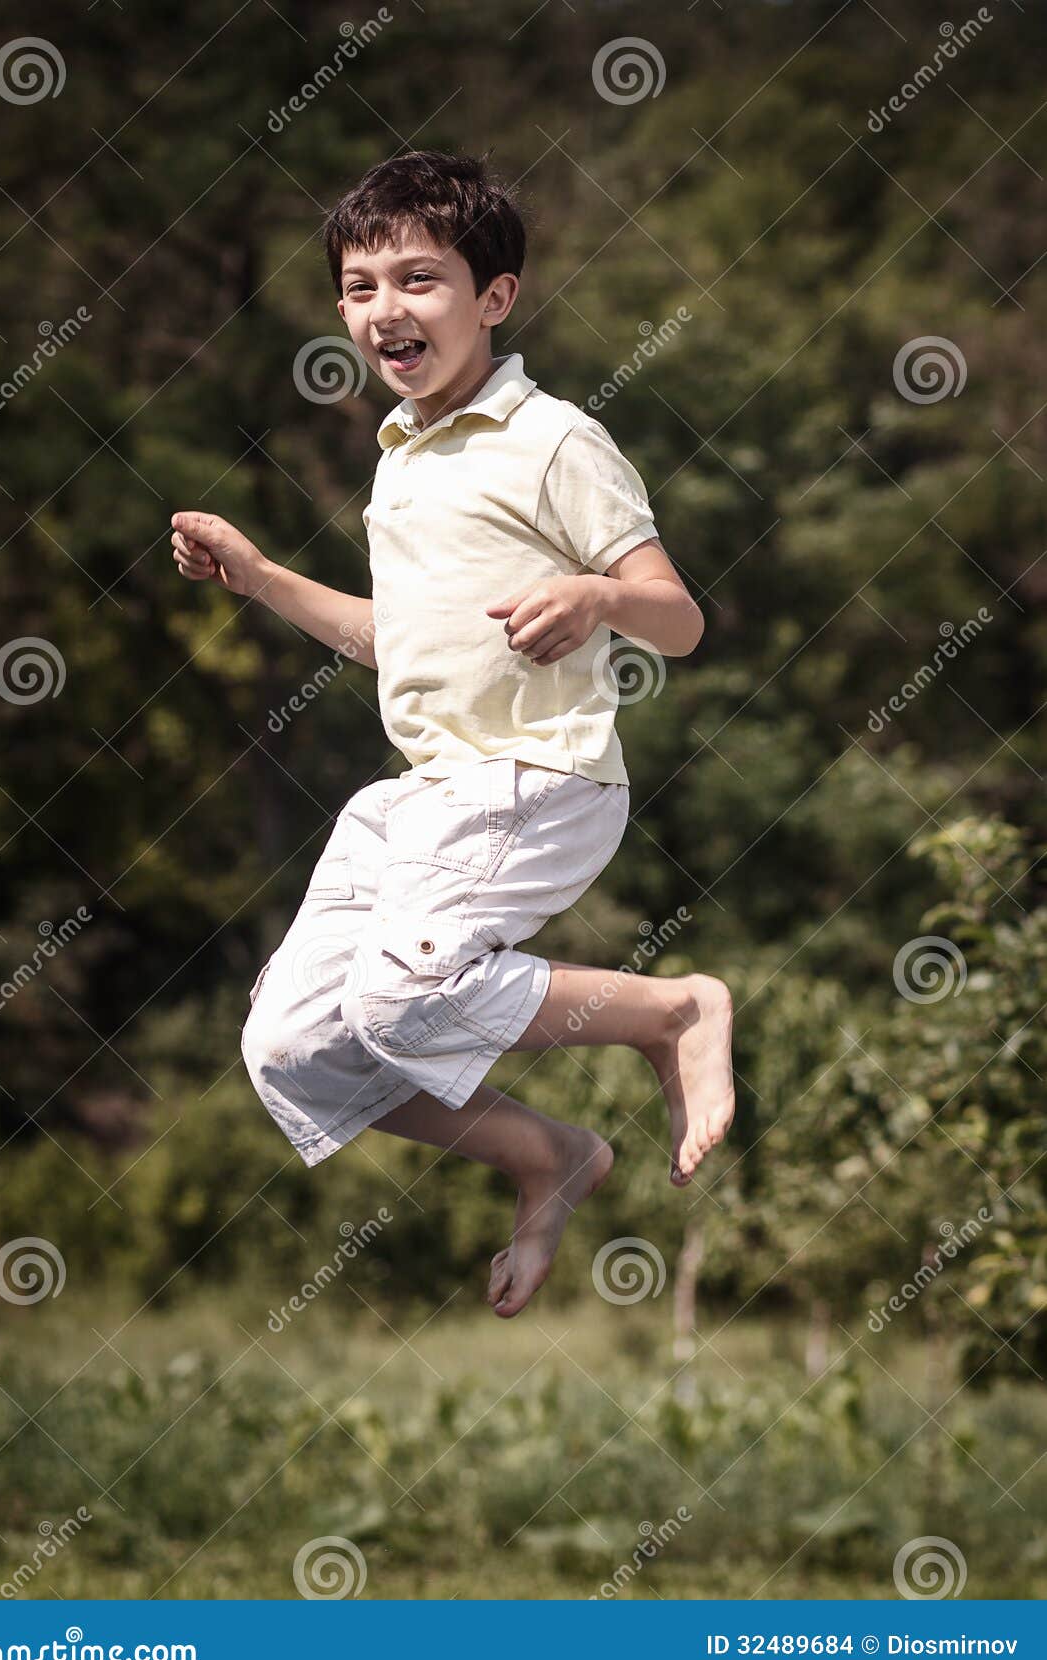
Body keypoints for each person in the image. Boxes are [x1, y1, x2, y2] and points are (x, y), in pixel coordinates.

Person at [170, 149, 735, 1318]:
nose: (386, 309)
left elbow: (678, 618)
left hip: (541, 776)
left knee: (399, 999)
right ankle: (546, 1155)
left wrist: (596, 597)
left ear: (495, 297)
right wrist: (263, 578)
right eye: (359, 286)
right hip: (424, 794)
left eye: (419, 280)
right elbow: (402, 641)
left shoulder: (554, 440)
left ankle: (673, 1010)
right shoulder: (399, 461)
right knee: (290, 1046)